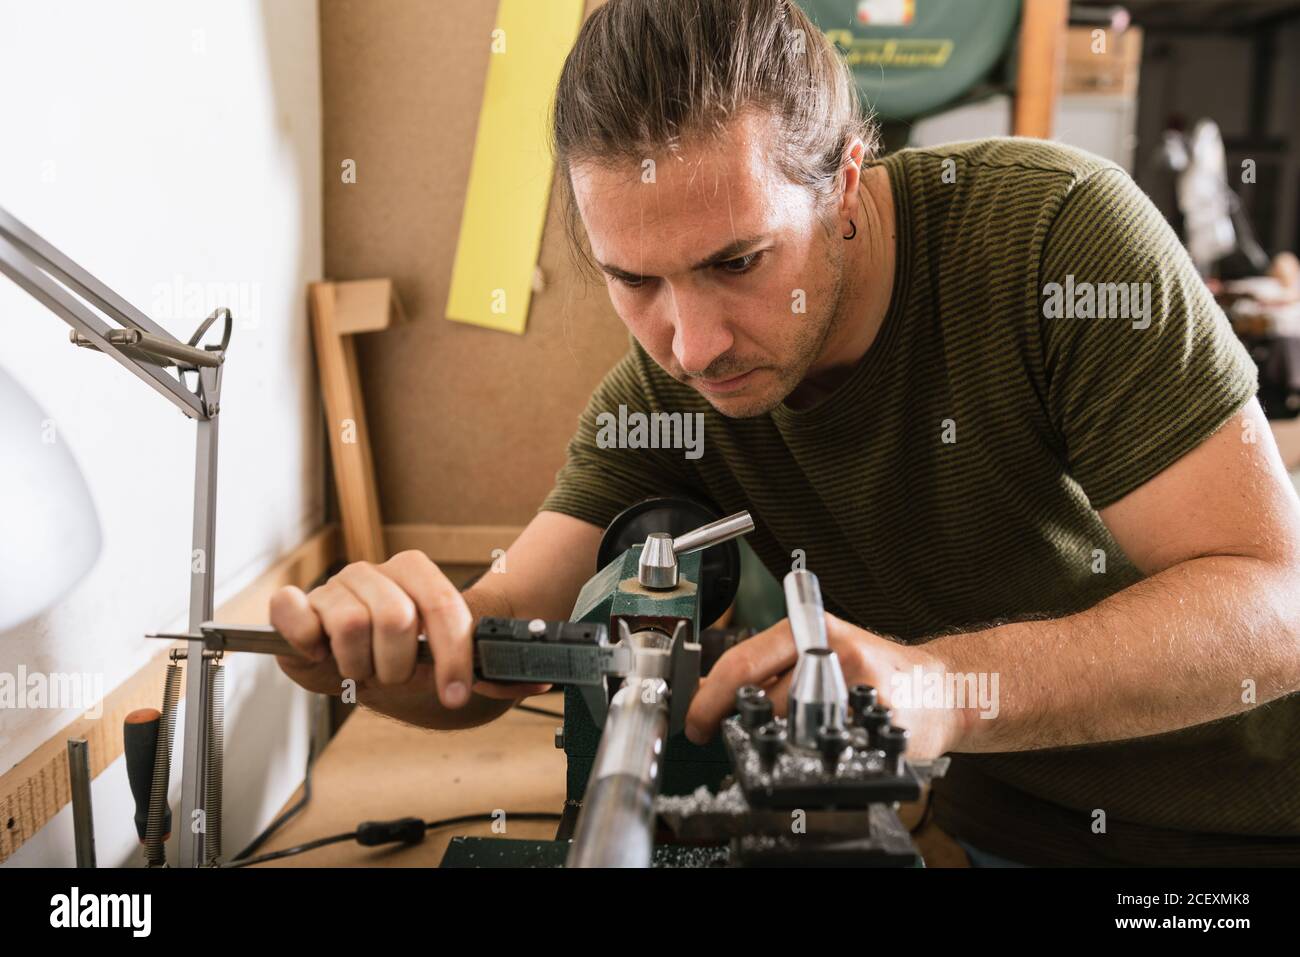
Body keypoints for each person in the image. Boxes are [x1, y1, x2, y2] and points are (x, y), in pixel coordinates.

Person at [271, 0, 1300, 866]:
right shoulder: (666, 399)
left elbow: (1275, 602)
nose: (692, 343)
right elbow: (497, 639)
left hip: (1248, 831)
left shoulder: (1056, 241)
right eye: (633, 280)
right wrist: (375, 651)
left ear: (845, 184)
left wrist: (947, 687)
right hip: (1010, 839)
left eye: (738, 262)